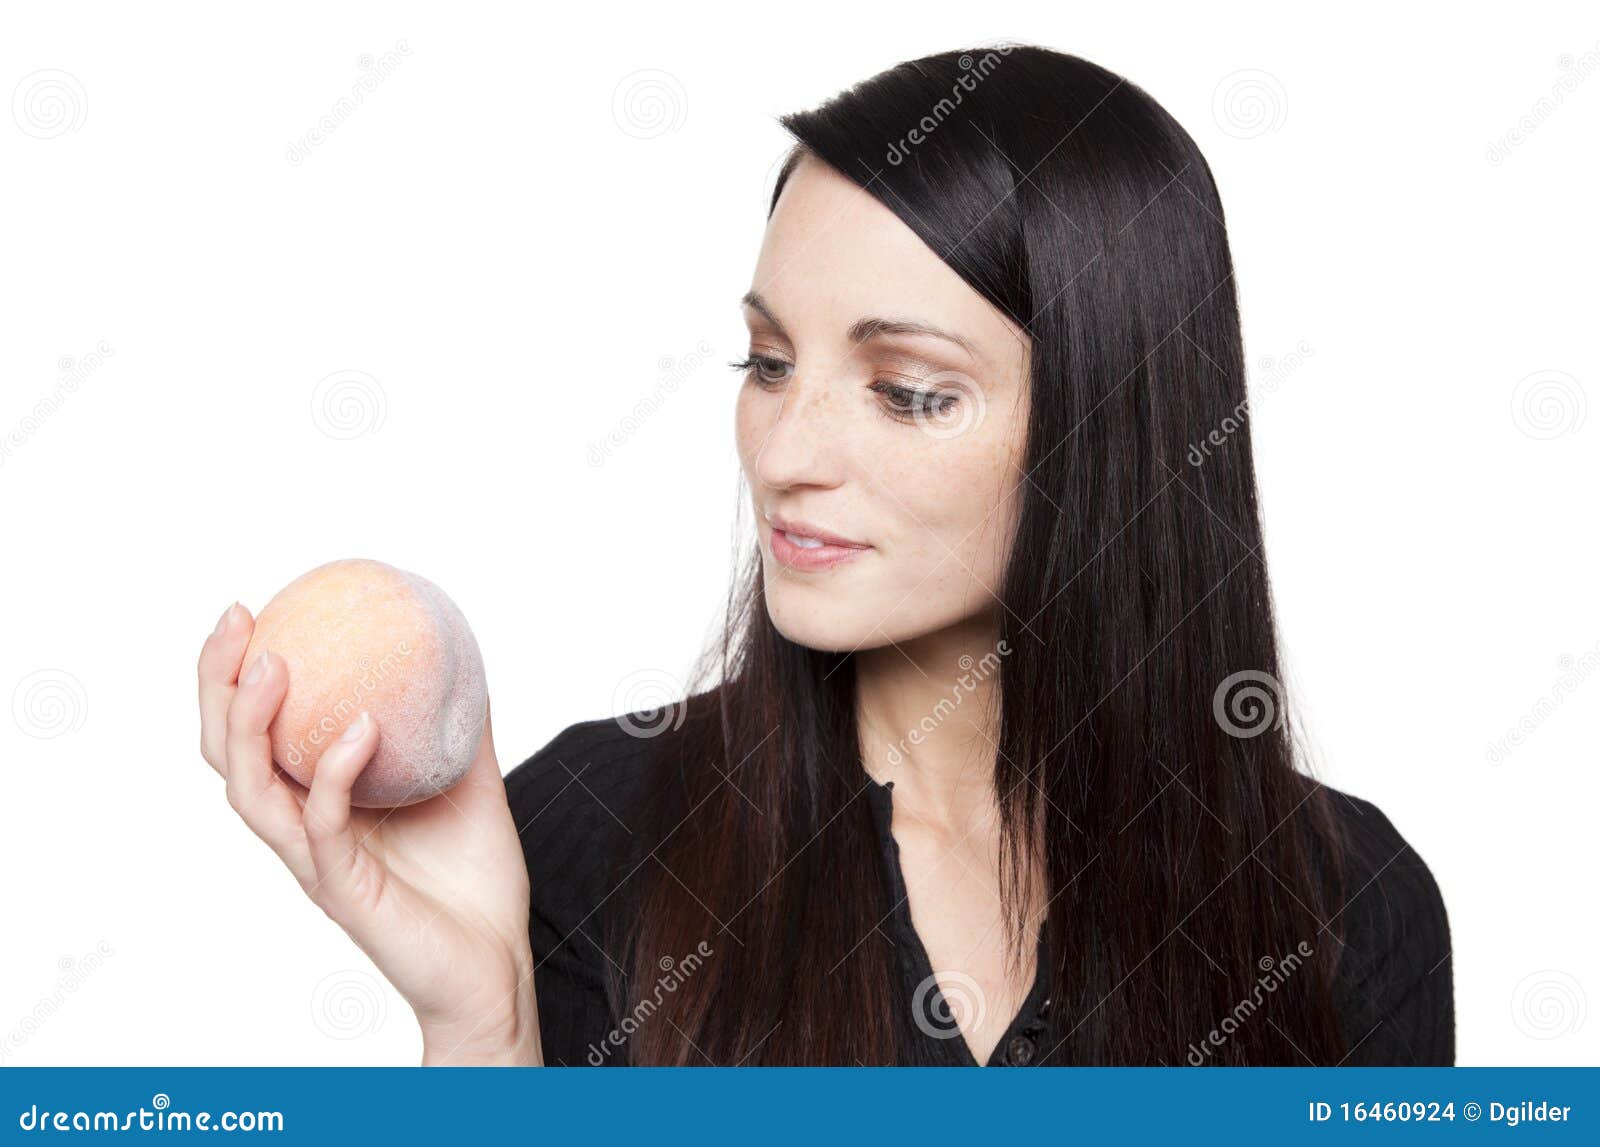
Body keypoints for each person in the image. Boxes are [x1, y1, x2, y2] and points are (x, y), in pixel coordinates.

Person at [195, 44, 1453, 1066]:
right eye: (769, 361)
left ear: (1114, 421)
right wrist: (483, 1026)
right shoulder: (589, 832)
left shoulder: (1347, 912)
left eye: (906, 389)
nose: (787, 448)